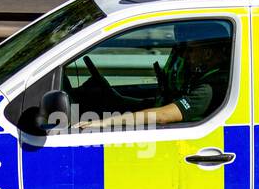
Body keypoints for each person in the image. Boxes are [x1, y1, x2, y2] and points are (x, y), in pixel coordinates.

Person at [73, 34, 230, 131]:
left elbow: (163, 115)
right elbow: (160, 107)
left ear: (207, 53)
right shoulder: (205, 78)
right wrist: (117, 99)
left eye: (189, 51)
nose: (186, 57)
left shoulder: (210, 88)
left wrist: (106, 122)